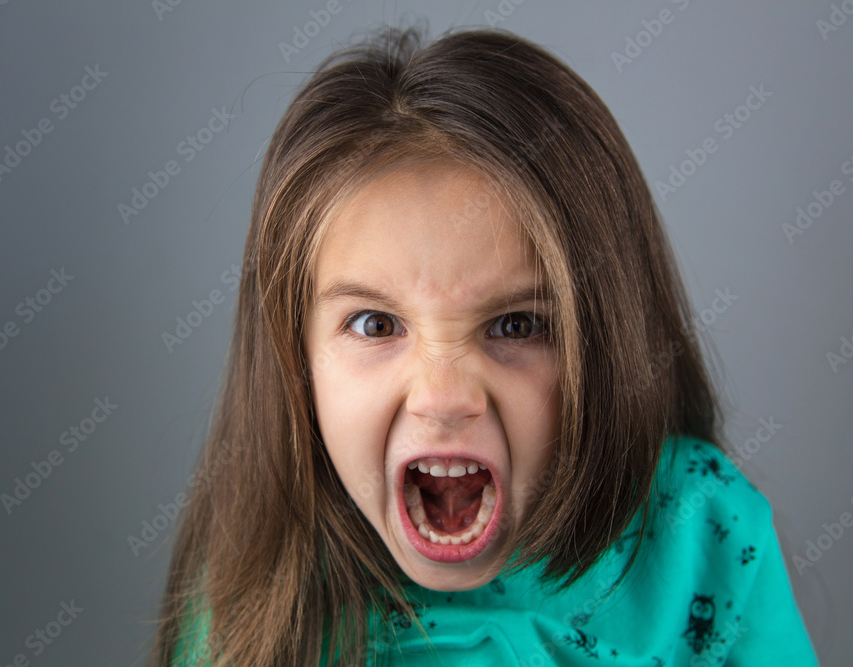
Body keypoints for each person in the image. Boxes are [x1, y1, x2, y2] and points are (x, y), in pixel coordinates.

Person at [150, 23, 819, 666]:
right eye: (377, 325)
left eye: (516, 326)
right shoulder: (259, 587)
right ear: (295, 363)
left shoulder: (704, 537)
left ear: (608, 343)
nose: (443, 398)